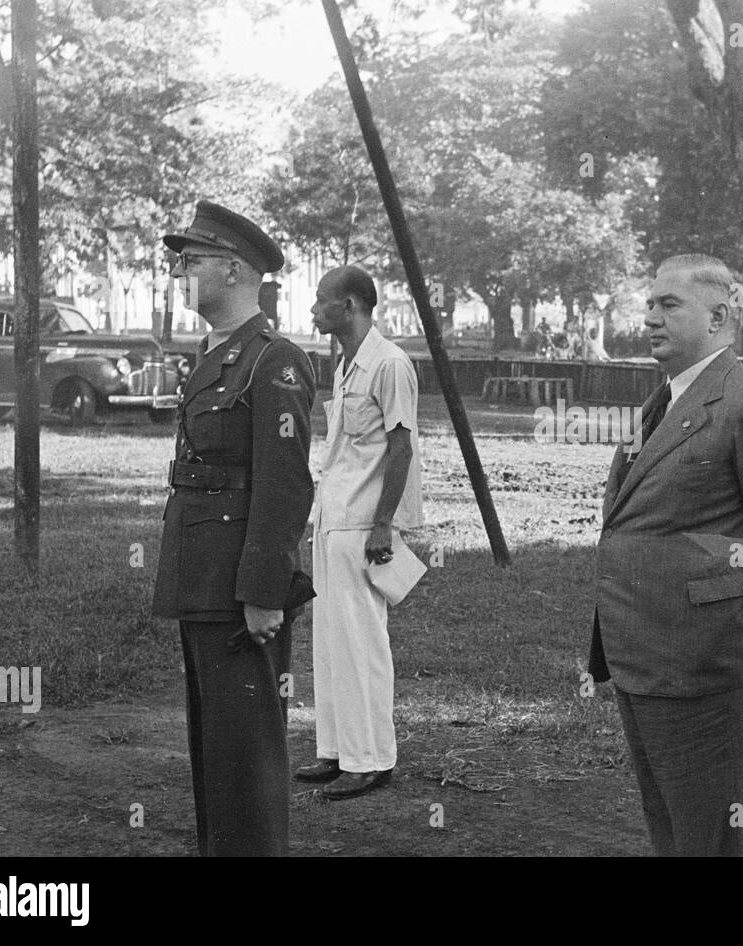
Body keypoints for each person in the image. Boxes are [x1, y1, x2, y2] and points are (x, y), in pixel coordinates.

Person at [587, 253, 743, 856]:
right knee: (673, 829)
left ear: (719, 316)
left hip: (716, 663)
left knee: (716, 838)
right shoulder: (661, 401)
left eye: (669, 305)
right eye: (649, 304)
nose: (649, 318)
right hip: (648, 653)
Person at [152, 200, 316, 857]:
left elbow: (285, 484)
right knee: (214, 751)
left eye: (190, 261)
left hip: (240, 589)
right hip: (202, 575)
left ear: (233, 268)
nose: (179, 272)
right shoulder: (217, 354)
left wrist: (264, 592)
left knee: (245, 759)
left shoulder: (273, 361)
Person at [295, 266, 424, 799]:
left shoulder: (389, 363)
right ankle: (337, 749)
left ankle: (372, 757)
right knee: (329, 644)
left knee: (362, 643)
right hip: (333, 518)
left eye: (322, 301)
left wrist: (383, 523)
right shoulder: (345, 361)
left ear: (348, 306)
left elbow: (401, 447)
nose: (313, 309)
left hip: (363, 524)